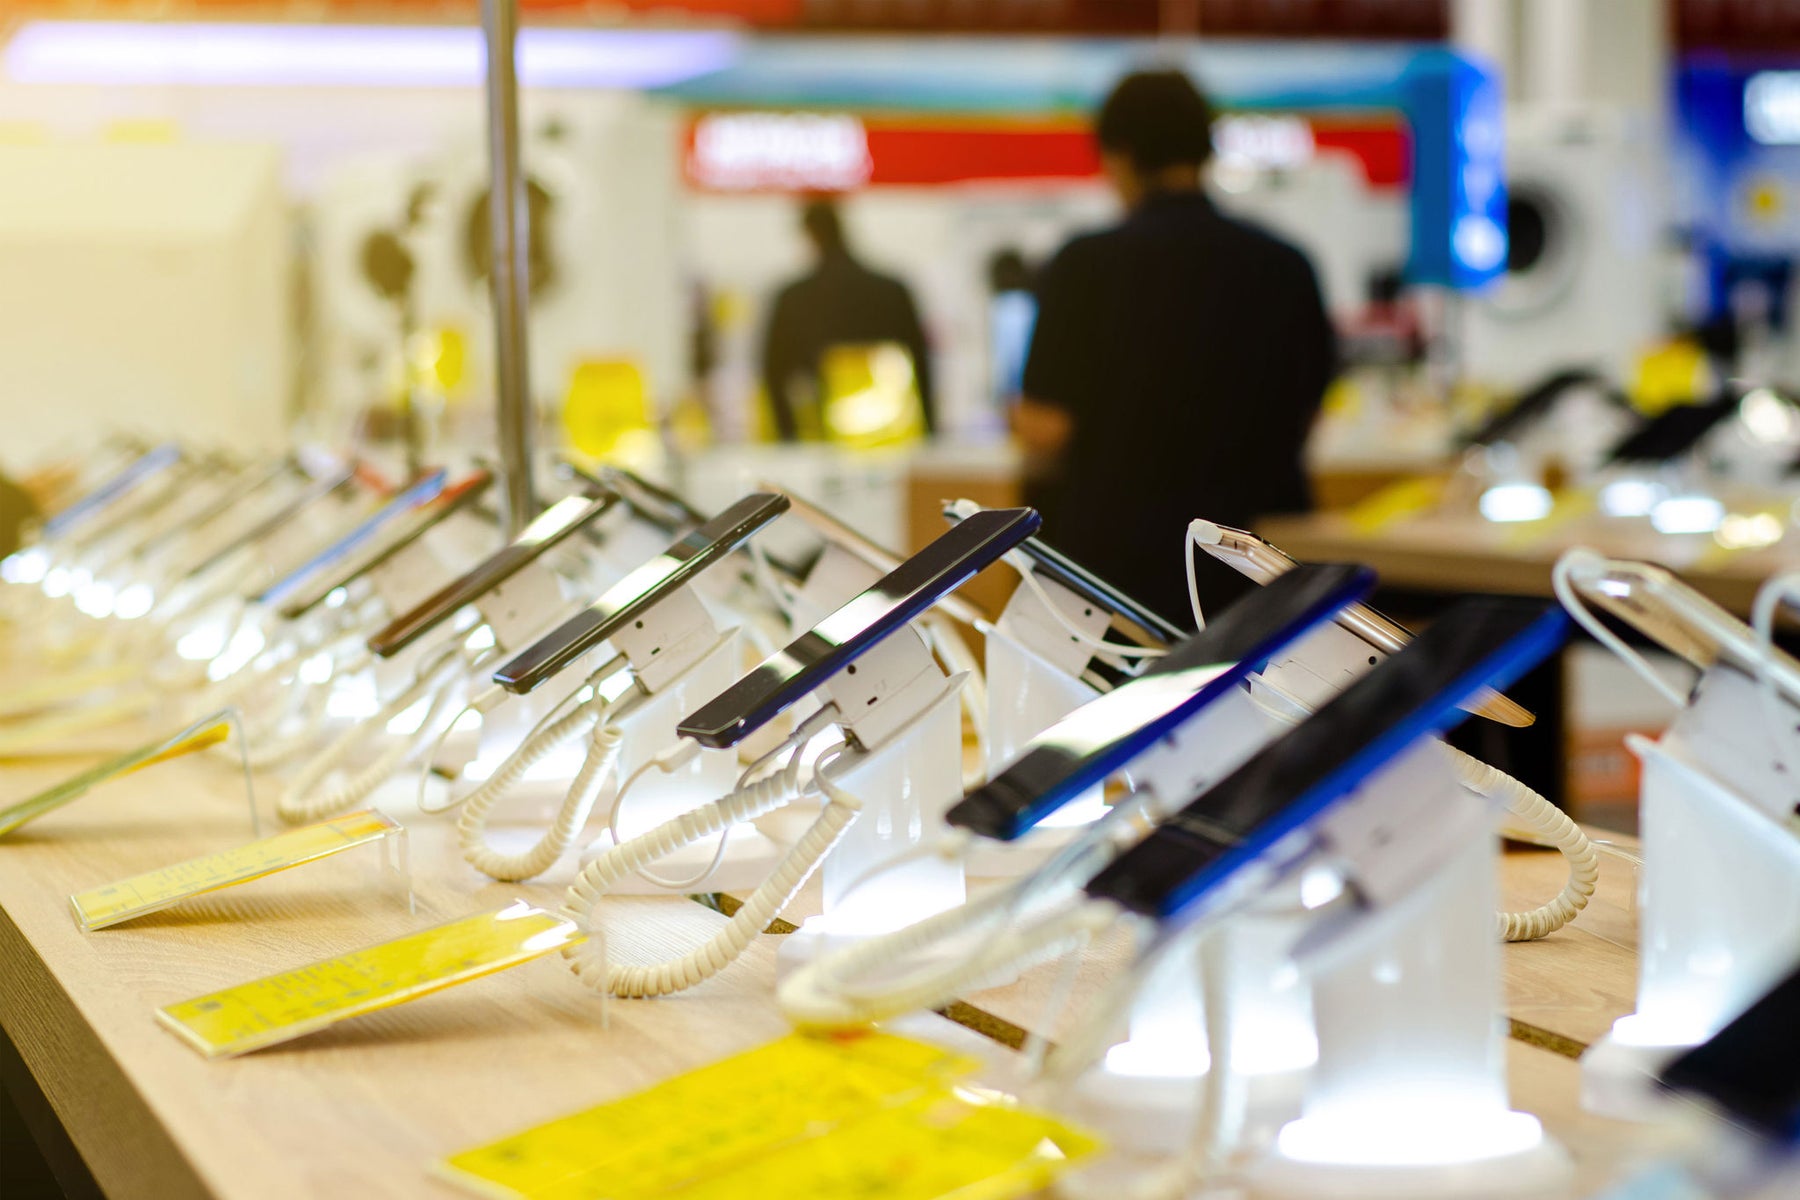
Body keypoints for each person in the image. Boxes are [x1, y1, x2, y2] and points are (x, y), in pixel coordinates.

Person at [1015, 70, 1337, 628]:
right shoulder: (1285, 264)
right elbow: (1307, 413)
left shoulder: (1085, 266)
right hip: (1256, 569)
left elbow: (1047, 427)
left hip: (1119, 578)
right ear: (1205, 149)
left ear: (1119, 156)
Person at [760, 198, 937, 440]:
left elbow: (773, 371)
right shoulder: (892, 291)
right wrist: (930, 426)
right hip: (891, 432)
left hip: (821, 435)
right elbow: (921, 361)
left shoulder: (793, 299)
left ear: (810, 235)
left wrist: (787, 434)